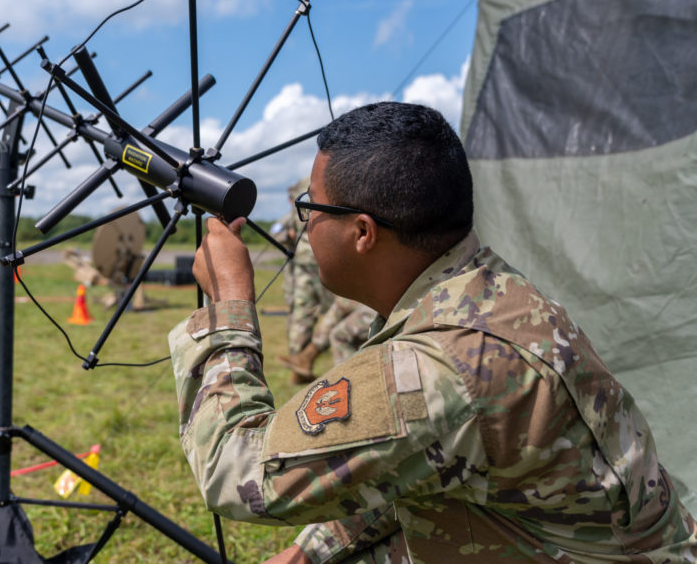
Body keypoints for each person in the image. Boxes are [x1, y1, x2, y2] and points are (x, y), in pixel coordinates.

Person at [167, 102, 697, 563]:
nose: (304, 224)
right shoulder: (483, 289)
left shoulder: (444, 367)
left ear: (362, 233)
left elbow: (234, 470)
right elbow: (408, 458)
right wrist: (310, 553)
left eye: (311, 207)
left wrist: (229, 304)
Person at [274, 177, 334, 384]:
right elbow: (277, 233)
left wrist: (286, 236)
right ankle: (299, 367)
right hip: (318, 267)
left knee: (303, 316)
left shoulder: (297, 209)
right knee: (323, 315)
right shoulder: (330, 198)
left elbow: (275, 232)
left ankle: (302, 363)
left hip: (318, 267)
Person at [278, 296, 377, 381]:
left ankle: (349, 383)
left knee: (339, 335)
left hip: (387, 307)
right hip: (380, 298)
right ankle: (308, 355)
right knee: (342, 302)